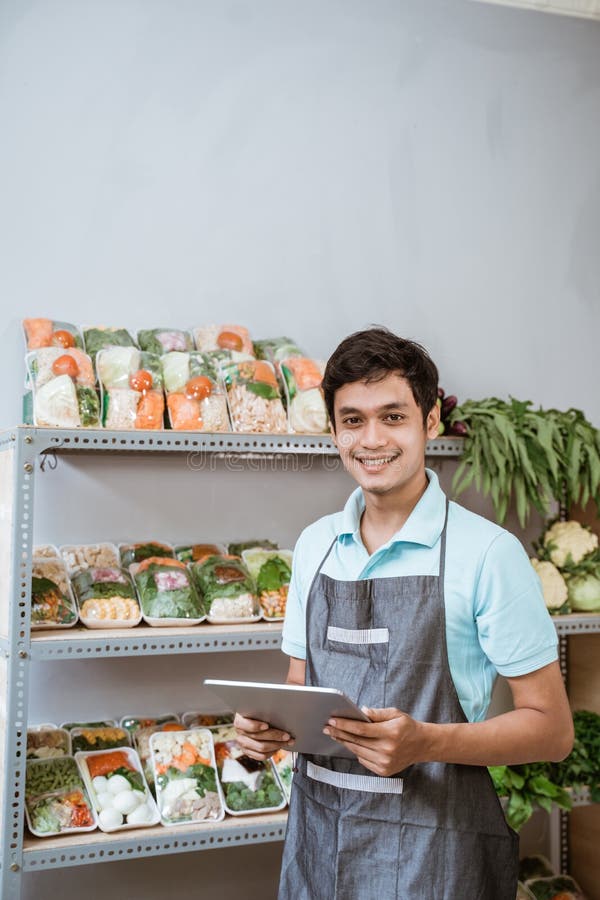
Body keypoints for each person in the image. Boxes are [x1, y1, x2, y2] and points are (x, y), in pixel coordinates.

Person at [234, 327, 574, 900]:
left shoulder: (487, 553)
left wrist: (427, 742)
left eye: (393, 416)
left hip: (436, 856)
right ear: (334, 429)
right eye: (353, 420)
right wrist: (266, 731)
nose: (372, 440)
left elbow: (552, 730)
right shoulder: (315, 545)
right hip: (319, 844)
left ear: (431, 420)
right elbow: (301, 687)